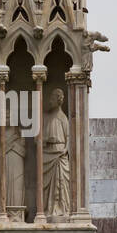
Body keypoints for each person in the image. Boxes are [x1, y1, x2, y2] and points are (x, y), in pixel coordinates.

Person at [43, 87, 71, 216]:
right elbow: (40, 138)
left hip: (59, 153)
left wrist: (65, 150)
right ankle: (48, 209)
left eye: (52, 98)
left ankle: (59, 209)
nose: (50, 101)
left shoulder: (62, 117)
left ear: (58, 100)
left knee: (60, 183)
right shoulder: (47, 117)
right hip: (48, 152)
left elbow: (69, 137)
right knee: (48, 185)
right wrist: (46, 140)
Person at [5, 125, 26, 210]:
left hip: (17, 160)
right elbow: (0, 151)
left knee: (18, 184)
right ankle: (6, 210)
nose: (7, 118)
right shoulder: (1, 133)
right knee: (6, 183)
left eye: (9, 116)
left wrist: (10, 145)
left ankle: (18, 210)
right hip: (6, 161)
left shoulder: (20, 132)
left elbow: (24, 152)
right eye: (5, 116)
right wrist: (13, 140)